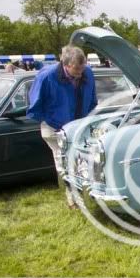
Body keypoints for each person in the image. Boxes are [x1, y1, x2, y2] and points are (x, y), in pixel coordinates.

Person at [27, 45, 97, 205]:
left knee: (82, 160)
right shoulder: (46, 76)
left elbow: (93, 99)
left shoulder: (88, 73)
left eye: (82, 69)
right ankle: (73, 199)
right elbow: (35, 106)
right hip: (55, 128)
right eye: (76, 70)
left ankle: (84, 194)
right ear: (64, 64)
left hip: (79, 127)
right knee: (64, 162)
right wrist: (53, 120)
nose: (80, 74)